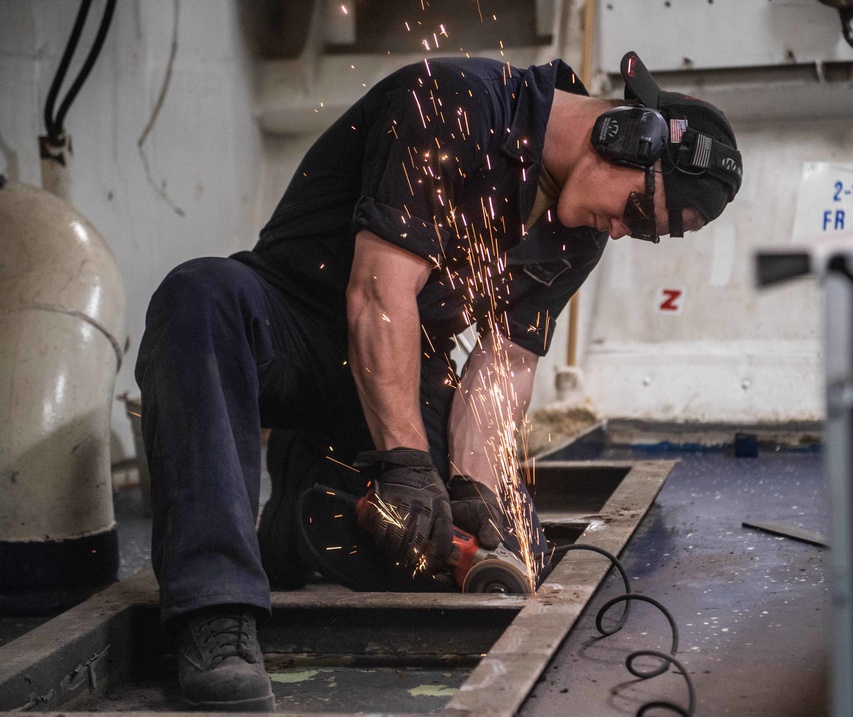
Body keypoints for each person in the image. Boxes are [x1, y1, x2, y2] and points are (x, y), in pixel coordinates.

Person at [134, 50, 742, 711]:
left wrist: (471, 485)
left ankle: (304, 511)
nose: (623, 231)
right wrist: (406, 461)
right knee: (200, 295)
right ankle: (214, 611)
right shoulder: (456, 102)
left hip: (404, 365)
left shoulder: (578, 232)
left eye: (645, 233)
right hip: (292, 323)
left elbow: (505, 362)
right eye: (638, 213)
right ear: (626, 136)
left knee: (490, 551)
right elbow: (378, 293)